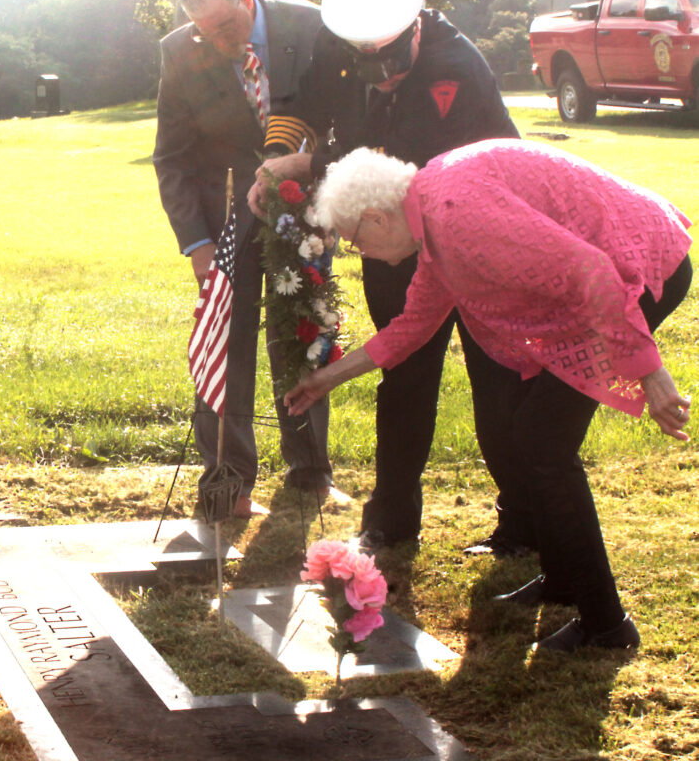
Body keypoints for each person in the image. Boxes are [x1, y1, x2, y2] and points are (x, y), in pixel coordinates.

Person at [284, 141, 692, 652]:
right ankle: (564, 580)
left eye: (354, 240)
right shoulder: (432, 218)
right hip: (610, 270)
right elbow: (414, 324)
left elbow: (591, 271)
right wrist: (328, 378)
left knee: (543, 441)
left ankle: (607, 627)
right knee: (526, 428)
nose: (359, 252)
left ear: (378, 218)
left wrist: (651, 373)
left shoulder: (456, 217)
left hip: (640, 266)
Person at [248, 0, 529, 555]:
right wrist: (275, 160)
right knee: (404, 377)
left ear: (414, 30)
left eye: (393, 69)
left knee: (497, 380)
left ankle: (524, 522)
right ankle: (391, 519)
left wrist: (306, 164)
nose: (382, 83)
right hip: (393, 237)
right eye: (368, 71)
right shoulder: (339, 41)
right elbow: (302, 103)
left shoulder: (453, 66)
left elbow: (401, 161)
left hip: (478, 237)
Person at [153, 0, 332, 518]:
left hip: (302, 213)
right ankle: (227, 487)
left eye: (226, 25)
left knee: (303, 338)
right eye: (204, 30)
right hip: (223, 221)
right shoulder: (180, 50)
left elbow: (343, 116)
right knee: (226, 351)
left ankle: (310, 474)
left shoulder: (310, 24)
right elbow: (172, 157)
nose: (217, 40)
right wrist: (196, 243)